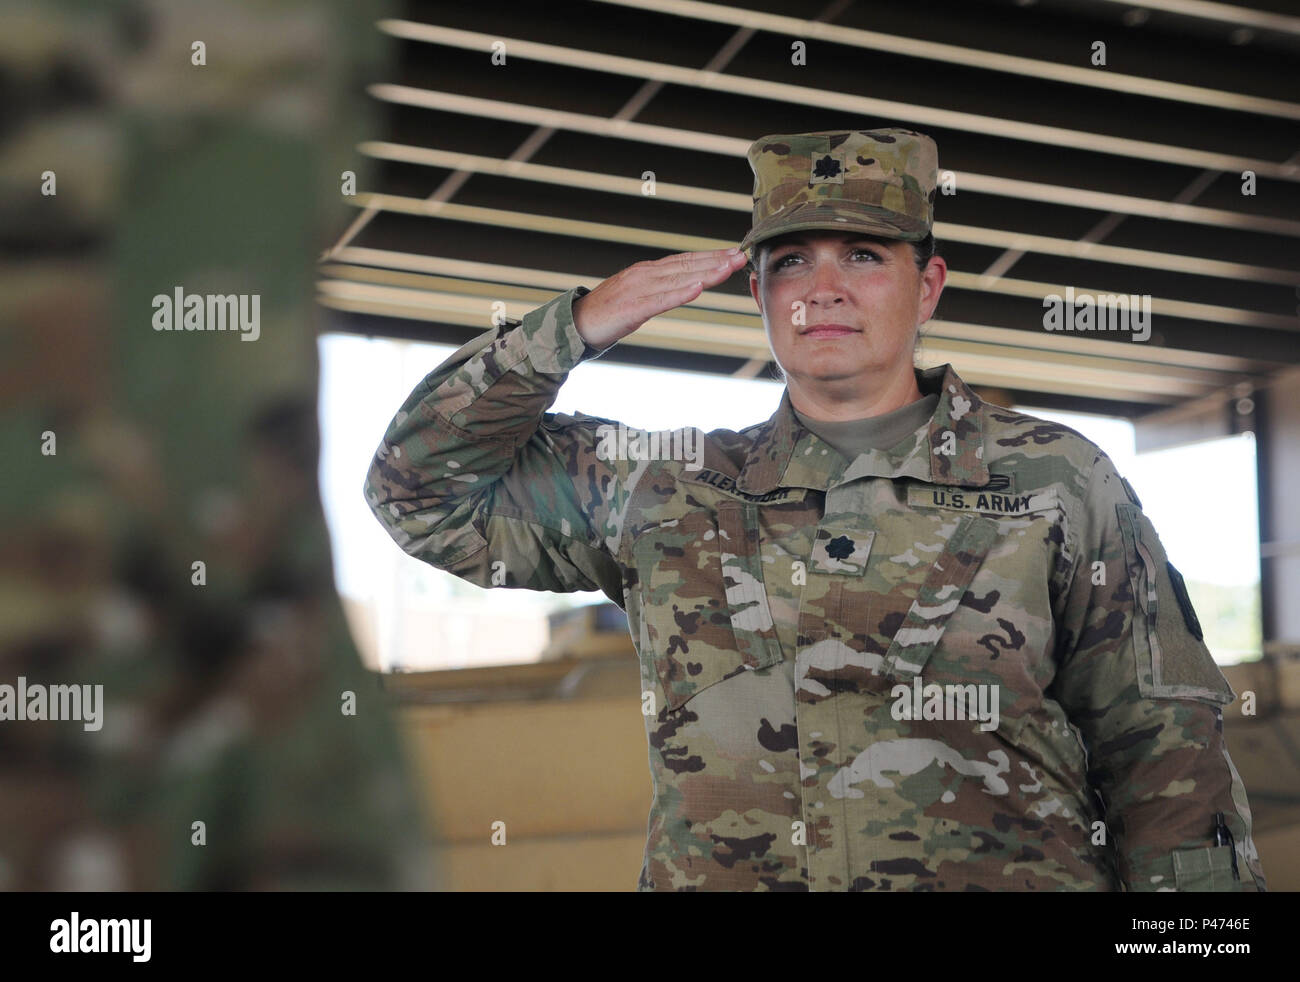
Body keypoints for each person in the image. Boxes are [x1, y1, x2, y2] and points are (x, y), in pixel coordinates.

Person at [364, 128, 1265, 892]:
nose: (822, 288)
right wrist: (574, 327)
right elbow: (419, 490)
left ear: (931, 285)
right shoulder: (668, 485)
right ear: (758, 293)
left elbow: (1165, 745)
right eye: (790, 262)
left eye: (864, 257)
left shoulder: (1054, 479)